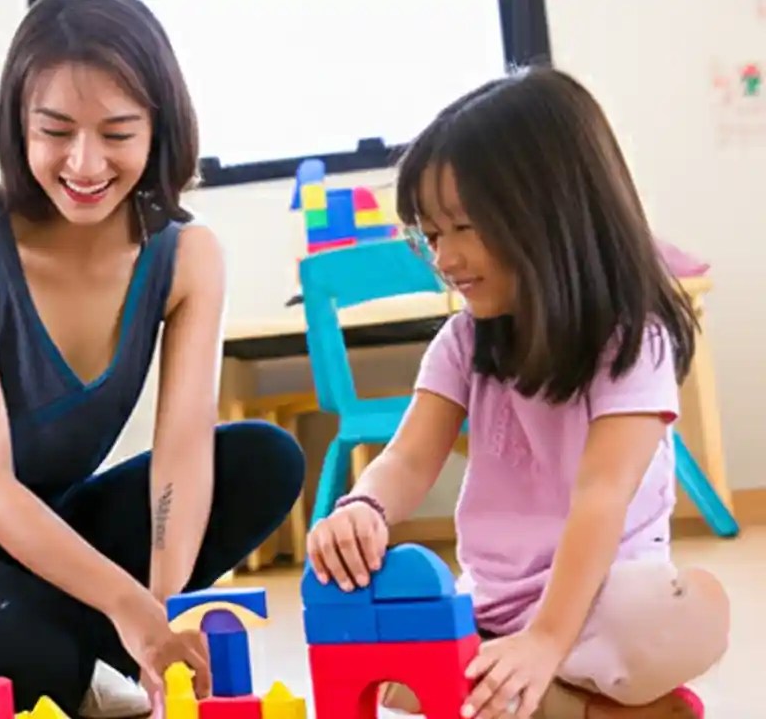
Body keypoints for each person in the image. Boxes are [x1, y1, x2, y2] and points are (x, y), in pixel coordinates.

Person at [0, 0, 305, 714]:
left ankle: (79, 644)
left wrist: (163, 614)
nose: (85, 164)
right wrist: (128, 610)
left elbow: (182, 456)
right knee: (38, 662)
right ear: (18, 127)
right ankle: (69, 648)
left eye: (118, 133)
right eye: (55, 132)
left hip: (53, 533)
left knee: (264, 460)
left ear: (158, 128)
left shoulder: (187, 255)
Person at [306, 67, 730, 719]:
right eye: (432, 235)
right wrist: (364, 506)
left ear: (555, 211)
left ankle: (539, 684)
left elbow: (602, 493)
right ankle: (597, 708)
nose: (444, 259)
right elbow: (410, 457)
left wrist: (548, 640)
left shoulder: (631, 341)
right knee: (391, 654)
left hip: (599, 601)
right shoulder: (462, 342)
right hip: (494, 604)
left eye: (463, 228)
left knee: (678, 615)